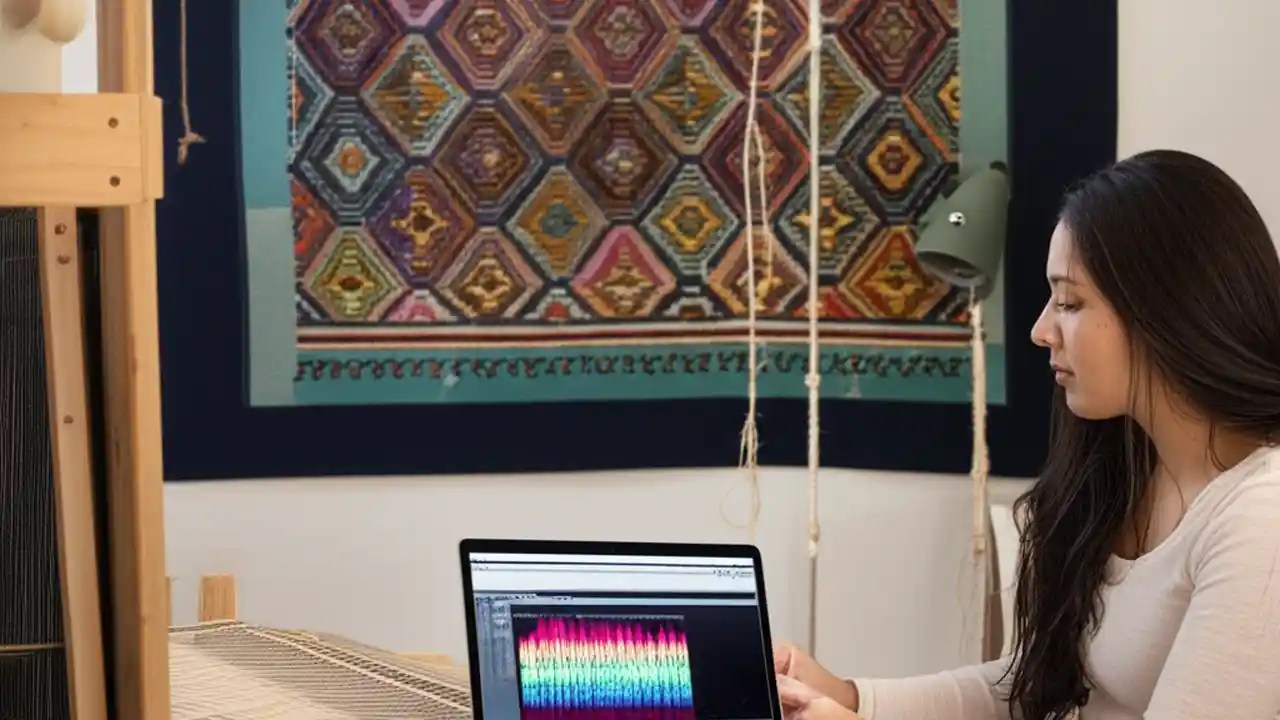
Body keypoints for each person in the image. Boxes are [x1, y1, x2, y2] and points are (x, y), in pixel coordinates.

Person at [773, 149, 1280, 720]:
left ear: (1167, 309)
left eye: (1068, 301)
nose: (1041, 331)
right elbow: (1030, 688)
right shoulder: (1128, 468)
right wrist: (848, 697)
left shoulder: (1262, 519)